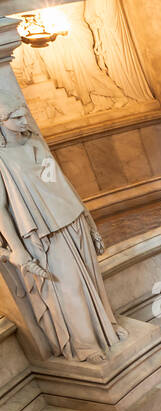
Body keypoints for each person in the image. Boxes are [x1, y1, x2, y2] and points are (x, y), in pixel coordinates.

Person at [0, 96, 124, 364]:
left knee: (91, 280)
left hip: (72, 219)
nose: (25, 121)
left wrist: (89, 222)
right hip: (45, 233)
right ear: (1, 122)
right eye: (17, 118)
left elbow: (59, 185)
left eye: (24, 115)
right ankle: (85, 346)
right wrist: (18, 249)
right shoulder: (2, 159)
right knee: (70, 287)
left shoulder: (34, 143)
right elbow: (0, 209)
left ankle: (105, 330)